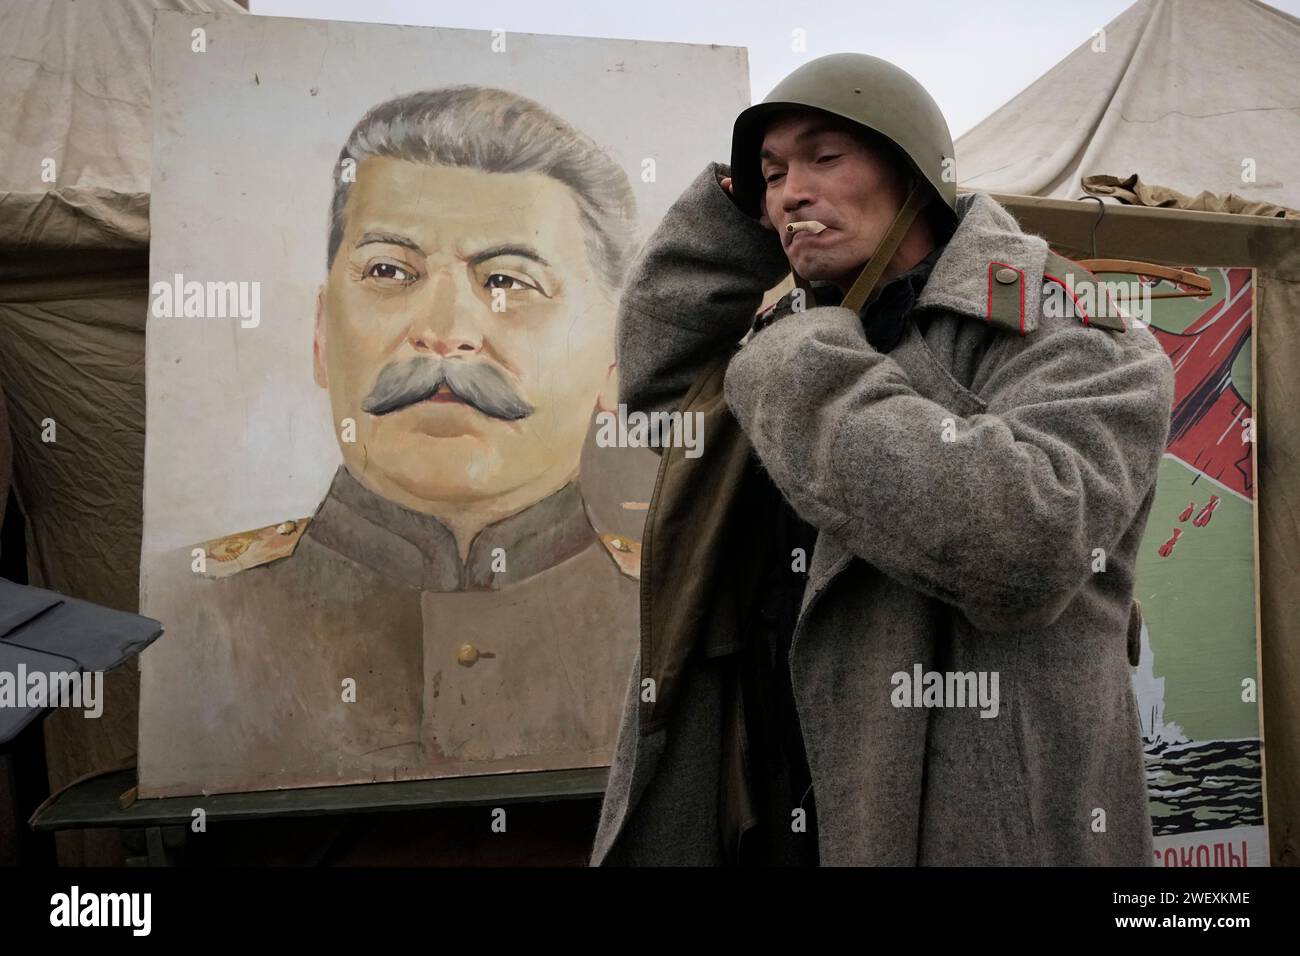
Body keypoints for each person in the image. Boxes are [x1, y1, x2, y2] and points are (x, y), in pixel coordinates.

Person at [592, 53, 1175, 866]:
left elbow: (1029, 542)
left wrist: (806, 373)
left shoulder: (1063, 330)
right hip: (769, 801)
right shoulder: (805, 333)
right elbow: (661, 390)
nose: (791, 189)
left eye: (825, 157)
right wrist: (729, 216)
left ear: (911, 175)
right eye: (770, 173)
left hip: (965, 824)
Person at [139, 86, 642, 800]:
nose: (443, 329)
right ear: (321, 333)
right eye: (388, 271)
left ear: (614, 360)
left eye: (507, 281)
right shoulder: (187, 614)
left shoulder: (675, 619)